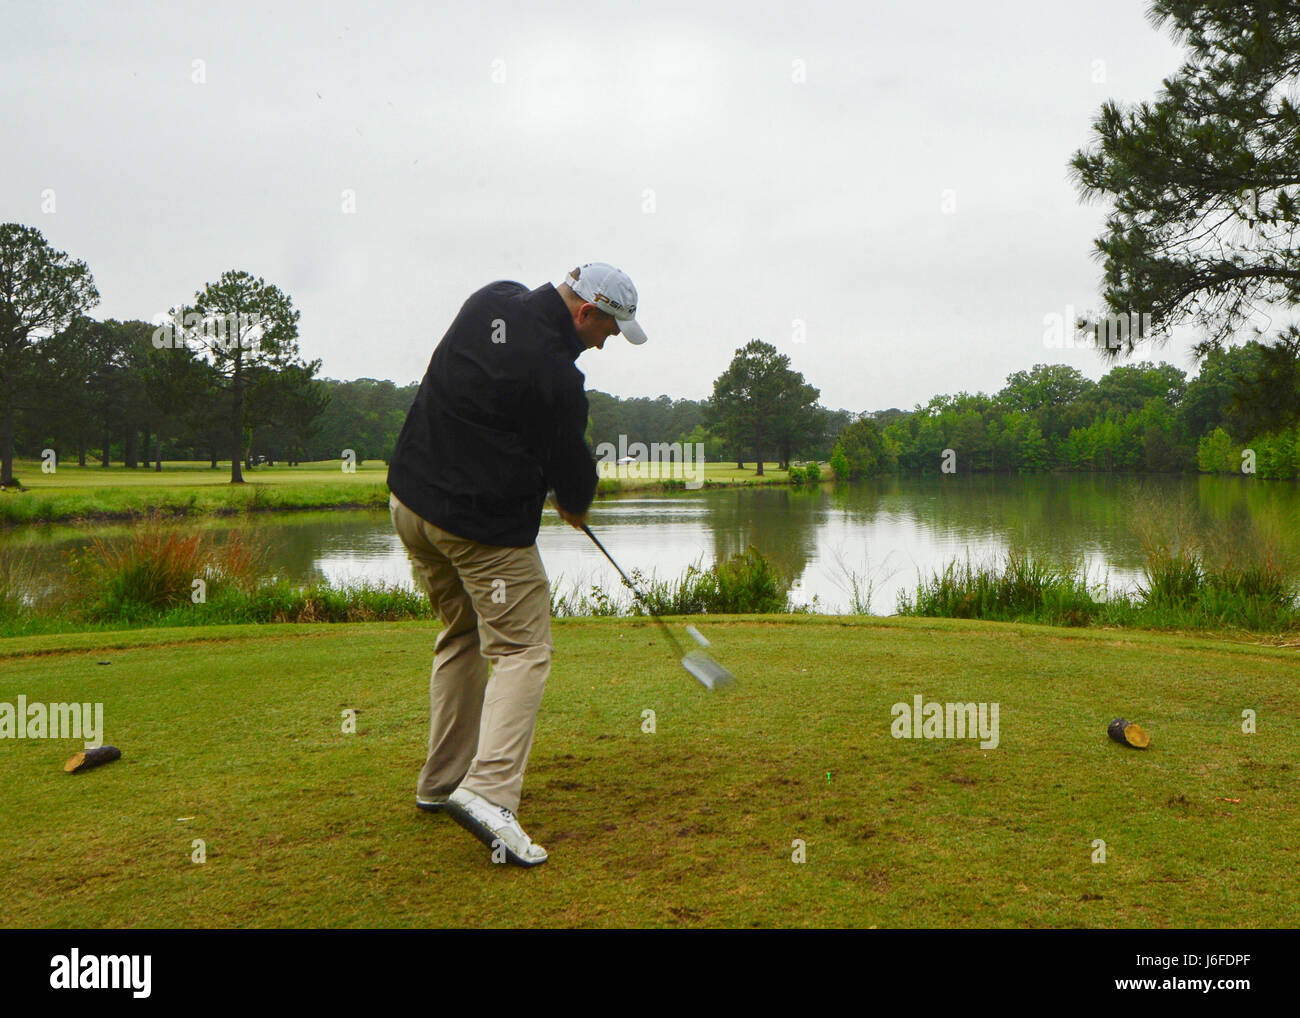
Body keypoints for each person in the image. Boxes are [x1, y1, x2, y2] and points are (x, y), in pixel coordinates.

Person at [387, 262, 647, 867]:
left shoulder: (490, 298)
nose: (608, 341)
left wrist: (556, 484)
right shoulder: (558, 376)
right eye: (609, 328)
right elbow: (572, 468)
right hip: (478, 528)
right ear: (586, 312)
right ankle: (489, 790)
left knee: (463, 634)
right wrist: (574, 502)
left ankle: (441, 784)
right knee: (523, 648)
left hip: (409, 505)